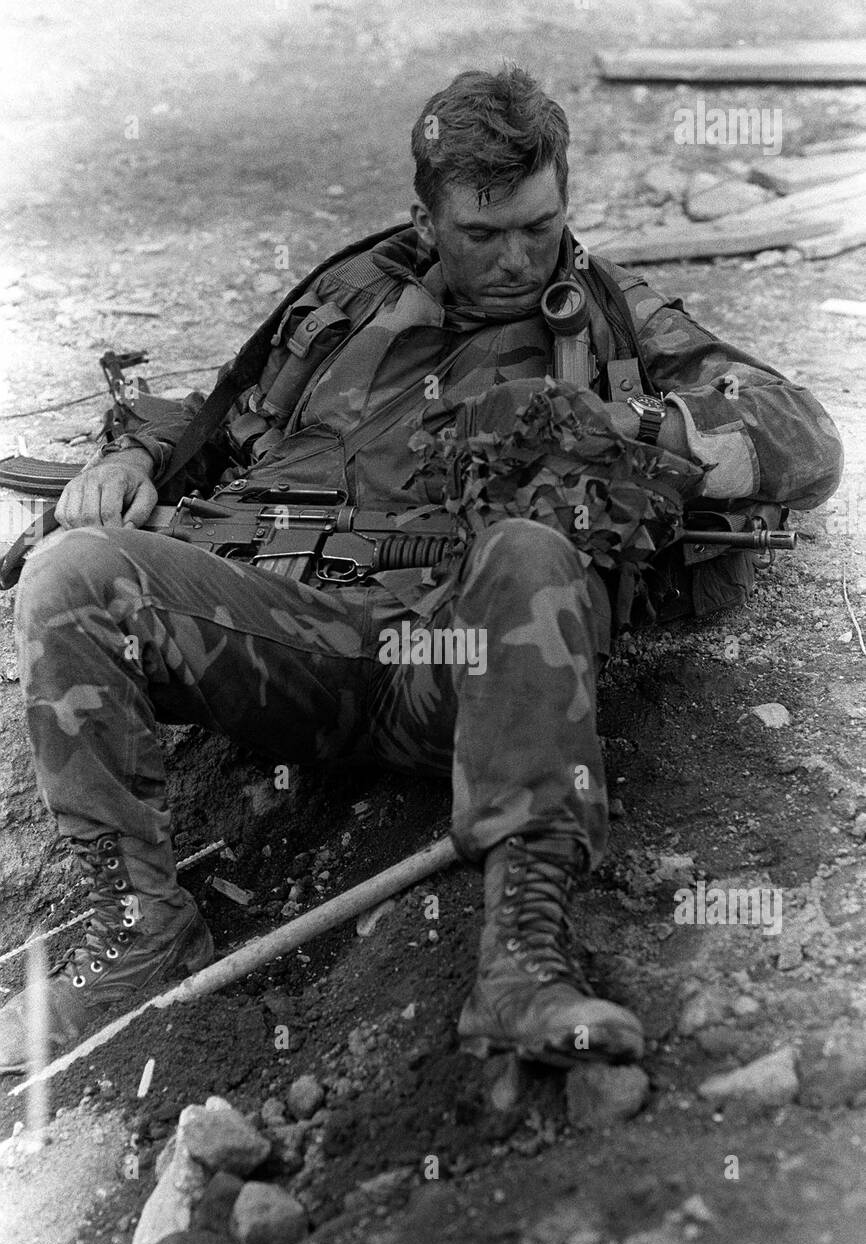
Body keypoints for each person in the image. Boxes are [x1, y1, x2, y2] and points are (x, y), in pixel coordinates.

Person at [0, 66, 842, 1075]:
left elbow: (801, 435)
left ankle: (522, 960)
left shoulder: (613, 316)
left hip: (464, 658)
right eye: (482, 235)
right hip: (289, 639)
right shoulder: (345, 299)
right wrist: (130, 458)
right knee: (66, 574)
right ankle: (134, 937)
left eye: (540, 224)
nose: (517, 257)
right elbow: (220, 414)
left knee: (532, 549)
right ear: (425, 216)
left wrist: (639, 426)